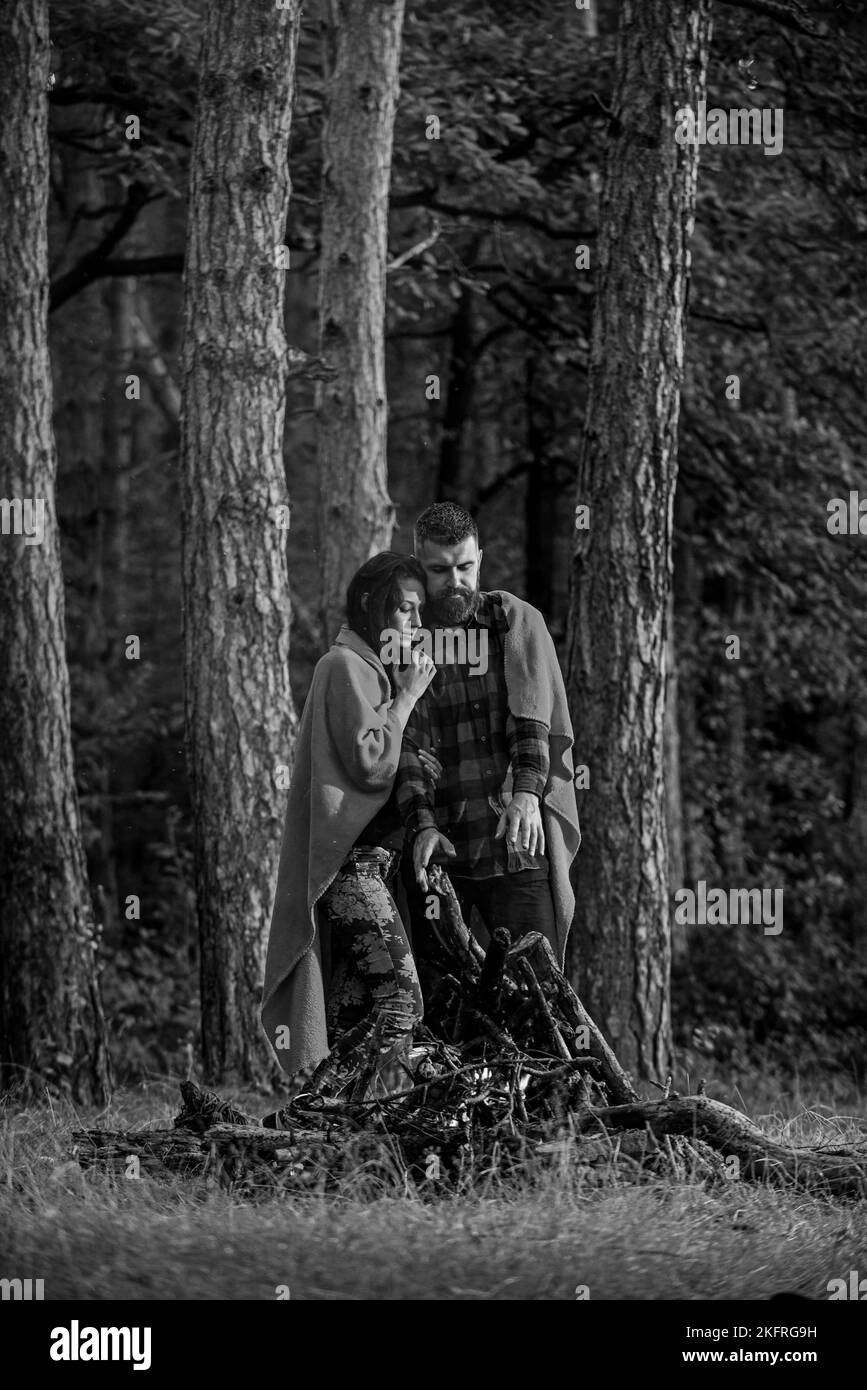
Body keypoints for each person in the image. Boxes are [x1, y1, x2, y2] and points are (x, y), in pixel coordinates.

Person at [261, 552, 439, 1100]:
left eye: (417, 611)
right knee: (401, 1002)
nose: (413, 622)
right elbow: (369, 762)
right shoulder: (343, 667)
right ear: (370, 604)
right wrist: (407, 698)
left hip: (377, 872)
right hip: (352, 872)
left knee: (351, 1018)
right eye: (402, 609)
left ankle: (319, 1130)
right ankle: (316, 1121)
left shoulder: (375, 673)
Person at [395, 502, 581, 988]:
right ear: (420, 567)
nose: (454, 580)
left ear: (481, 558)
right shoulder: (409, 636)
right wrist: (421, 827)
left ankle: (543, 1067)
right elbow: (410, 747)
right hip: (442, 852)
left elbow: (532, 717)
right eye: (439, 570)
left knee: (537, 993)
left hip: (514, 842)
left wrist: (526, 792)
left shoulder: (512, 621)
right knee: (443, 1005)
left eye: (465, 566)